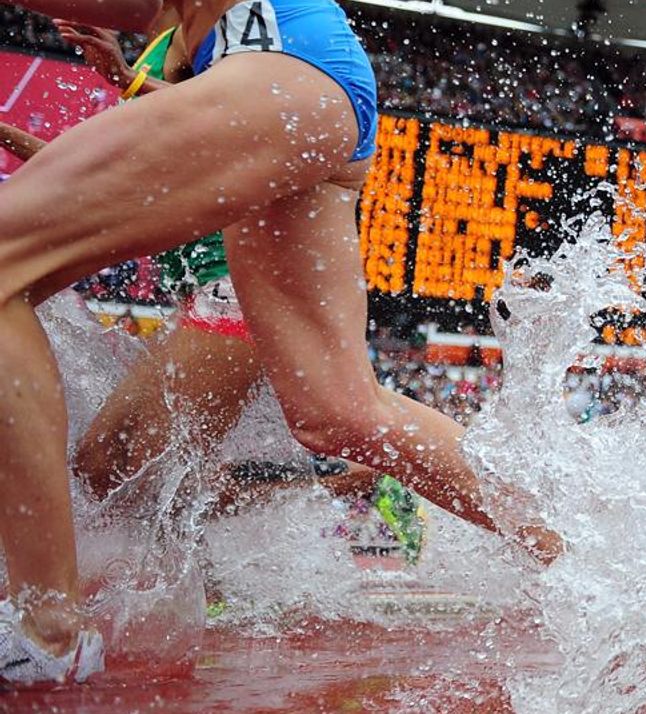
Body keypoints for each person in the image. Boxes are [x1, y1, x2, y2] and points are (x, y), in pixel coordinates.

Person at [0, 0, 559, 685]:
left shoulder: (229, 54)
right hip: (312, 85)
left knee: (120, 463)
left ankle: (47, 625)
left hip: (280, 72)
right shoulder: (208, 63)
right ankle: (585, 555)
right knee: (338, 412)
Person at [0, 20, 429, 560]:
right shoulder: (170, 37)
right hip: (213, 292)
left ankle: (185, 590)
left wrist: (130, 83)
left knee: (117, 469)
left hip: (236, 287)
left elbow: (246, 130)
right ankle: (339, 494)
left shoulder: (210, 28)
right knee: (146, 476)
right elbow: (88, 177)